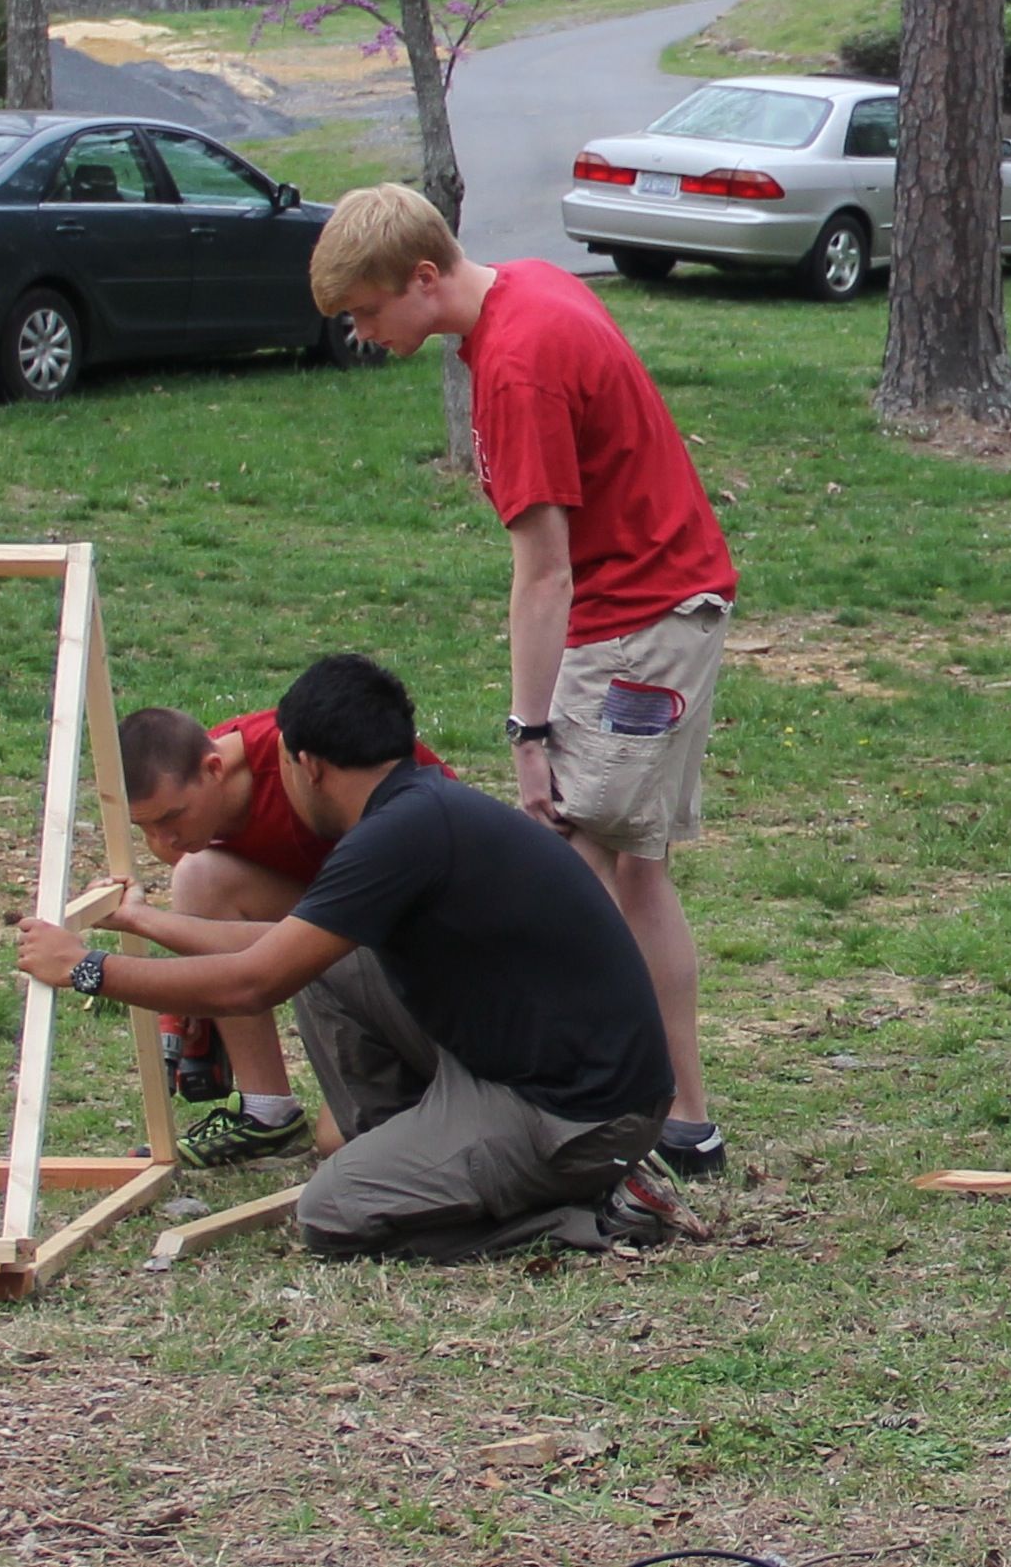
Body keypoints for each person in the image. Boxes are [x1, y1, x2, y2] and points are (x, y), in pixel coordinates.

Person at [308, 184, 739, 1179]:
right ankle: (676, 1117)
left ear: (423, 277)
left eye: (367, 313)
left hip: (632, 631)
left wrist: (529, 733)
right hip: (664, 610)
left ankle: (594, 1120)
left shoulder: (515, 362)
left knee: (564, 872)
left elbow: (542, 571)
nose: (364, 335)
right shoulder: (530, 290)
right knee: (633, 871)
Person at [18, 655, 704, 1260]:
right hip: (543, 1071)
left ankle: (594, 1213)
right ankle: (415, 1152)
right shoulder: (409, 811)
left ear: (309, 764)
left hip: (579, 1116)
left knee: (334, 1211)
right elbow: (280, 947)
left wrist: (87, 969)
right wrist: (142, 922)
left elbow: (254, 982)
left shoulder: (397, 836)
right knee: (326, 962)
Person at [116, 704, 452, 1170]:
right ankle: (265, 1109)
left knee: (344, 1140)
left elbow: (288, 950)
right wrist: (187, 1002)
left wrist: (128, 952)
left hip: (423, 926)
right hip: (344, 912)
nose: (162, 842)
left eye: (172, 818)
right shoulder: (191, 779)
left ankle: (447, 1082)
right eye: (146, 828)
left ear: (214, 770)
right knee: (199, 877)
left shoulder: (307, 764)